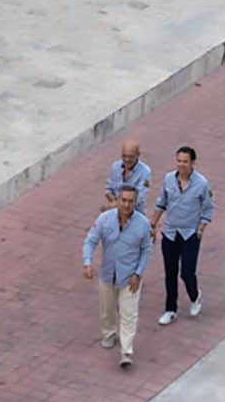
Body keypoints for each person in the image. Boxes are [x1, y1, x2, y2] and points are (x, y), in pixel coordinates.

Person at [81, 186, 153, 369]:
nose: (126, 204)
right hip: (107, 273)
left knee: (129, 314)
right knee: (107, 309)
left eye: (130, 201)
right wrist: (87, 262)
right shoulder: (104, 220)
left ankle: (126, 351)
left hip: (130, 277)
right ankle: (109, 333)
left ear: (135, 203)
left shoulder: (143, 224)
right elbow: (91, 240)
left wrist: (138, 273)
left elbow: (146, 250)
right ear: (118, 200)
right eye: (124, 200)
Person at [151, 147, 213, 325]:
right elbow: (161, 203)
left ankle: (195, 296)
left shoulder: (201, 184)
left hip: (190, 234)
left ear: (193, 162)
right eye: (179, 160)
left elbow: (208, 208)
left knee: (187, 272)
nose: (181, 164)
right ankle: (170, 309)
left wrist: (201, 228)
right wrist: (153, 224)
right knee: (170, 273)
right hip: (170, 233)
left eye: (185, 161)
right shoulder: (169, 179)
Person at [103, 140, 151, 207]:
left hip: (135, 213)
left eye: (130, 157)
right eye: (124, 156)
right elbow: (108, 189)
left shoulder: (146, 172)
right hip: (115, 211)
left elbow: (139, 197)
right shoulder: (115, 166)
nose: (127, 159)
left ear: (138, 155)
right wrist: (113, 201)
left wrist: (114, 205)